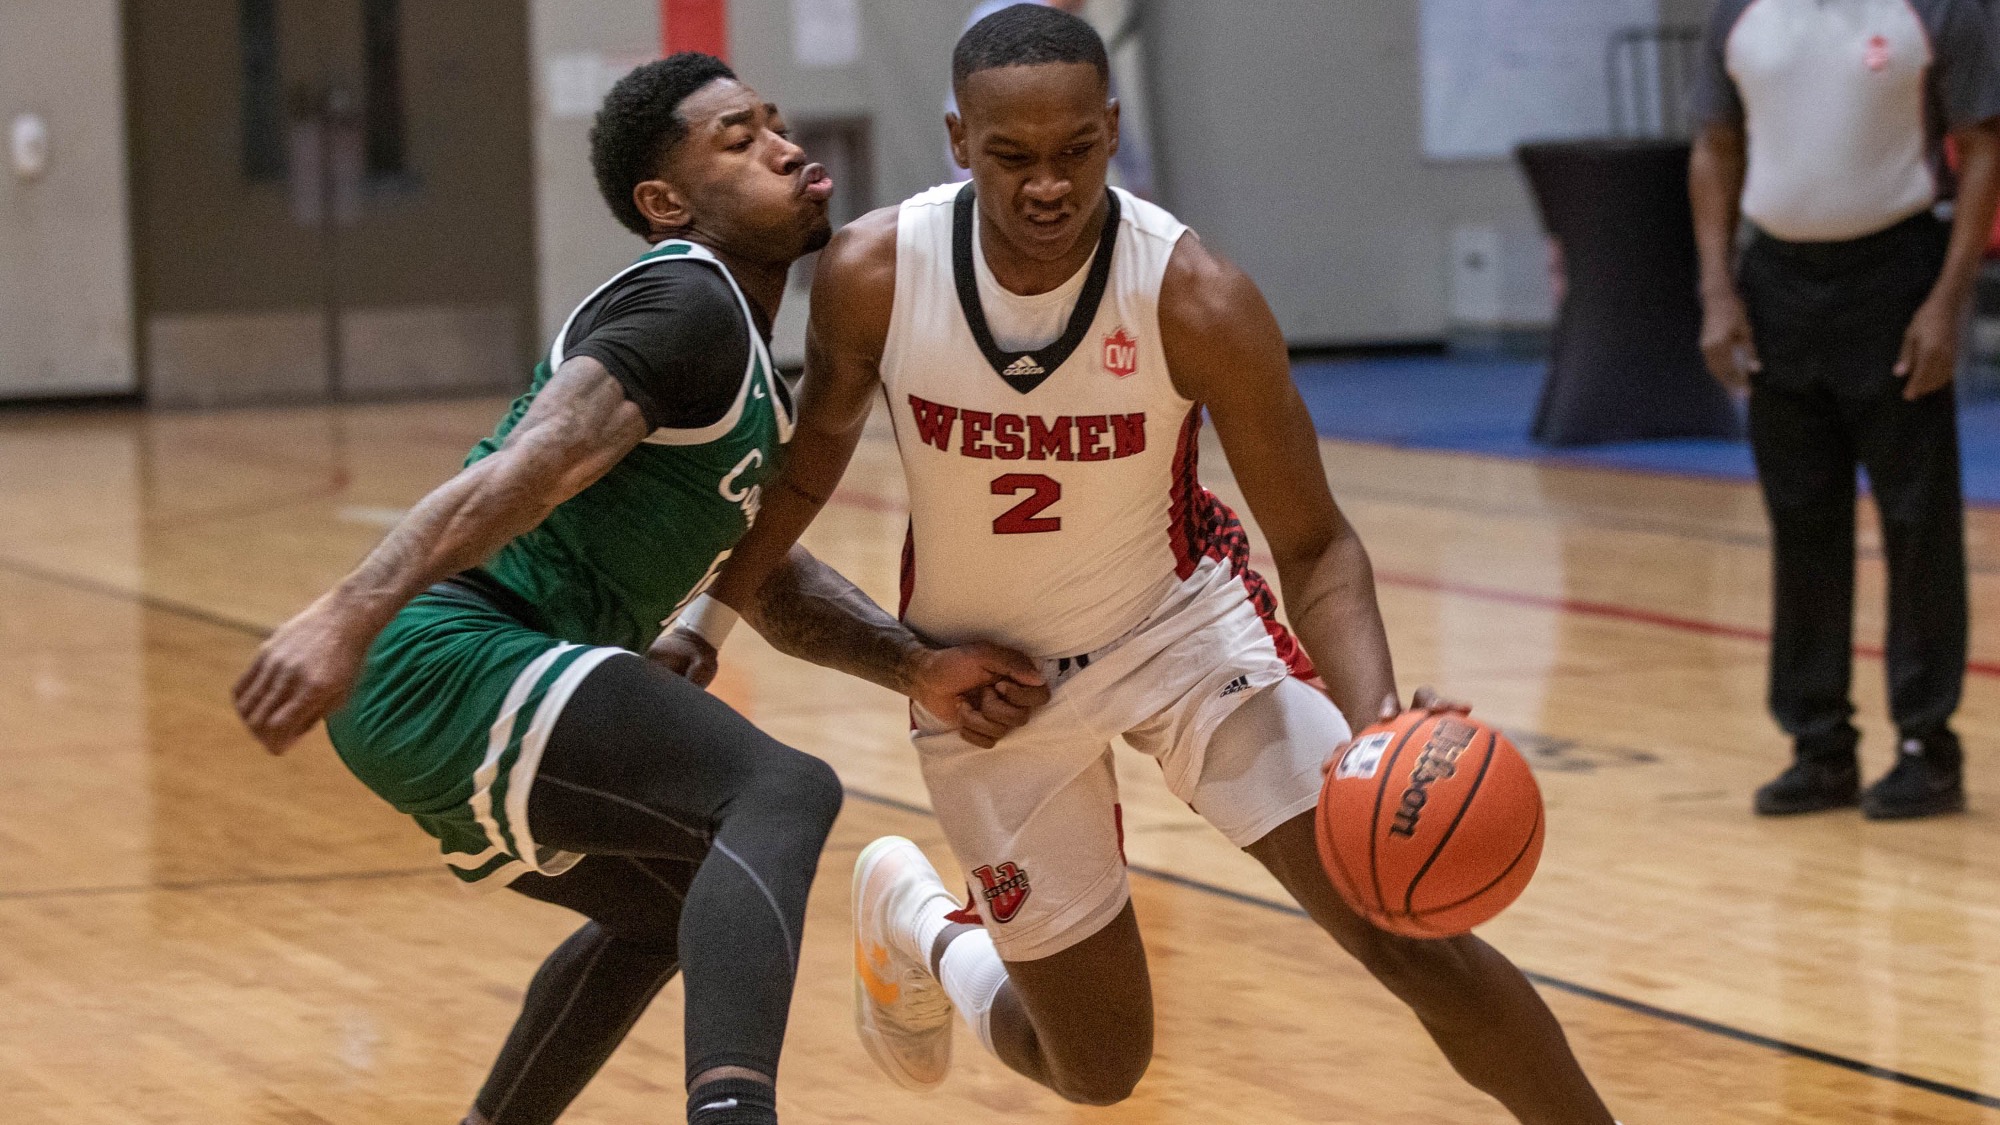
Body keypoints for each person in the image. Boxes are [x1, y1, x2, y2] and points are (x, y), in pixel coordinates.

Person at [665, 9, 1617, 1121]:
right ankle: (924, 926)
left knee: (1412, 939)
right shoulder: (878, 271)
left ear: (1111, 130)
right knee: (1098, 1067)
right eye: (1011, 157)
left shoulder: (1193, 294)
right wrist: (705, 624)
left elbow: (1313, 542)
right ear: (957, 139)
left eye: (1075, 151)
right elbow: (803, 473)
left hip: (1182, 636)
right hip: (985, 682)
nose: (1046, 187)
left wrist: (1373, 732)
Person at [232, 53, 1045, 1125]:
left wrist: (912, 665)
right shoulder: (688, 299)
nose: (784, 147)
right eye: (737, 139)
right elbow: (536, 462)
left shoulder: (740, 355)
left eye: (775, 123)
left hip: (459, 672)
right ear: (667, 203)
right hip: (451, 651)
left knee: (671, 907)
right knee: (780, 794)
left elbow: (766, 575)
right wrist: (347, 612)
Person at [1691, 0, 2000, 819]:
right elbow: (1715, 147)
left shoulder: (1938, 10)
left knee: (1917, 520)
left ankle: (1926, 746)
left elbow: (1982, 150)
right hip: (1776, 285)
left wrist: (1947, 302)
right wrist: (1718, 289)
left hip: (1896, 277)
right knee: (1801, 520)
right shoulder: (1737, 14)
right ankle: (1819, 744)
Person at [945, 0, 1153, 197]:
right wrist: (968, 184)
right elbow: (967, 108)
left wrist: (1137, 183)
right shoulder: (995, 22)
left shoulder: (1085, 40)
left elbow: (1110, 114)